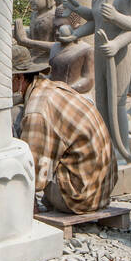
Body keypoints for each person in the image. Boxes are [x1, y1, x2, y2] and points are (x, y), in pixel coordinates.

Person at [13, 47, 114, 215]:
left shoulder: (36, 110)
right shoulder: (56, 87)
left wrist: (26, 200)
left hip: (79, 198)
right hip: (102, 190)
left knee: (14, 124)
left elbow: (33, 169)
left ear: (19, 78)